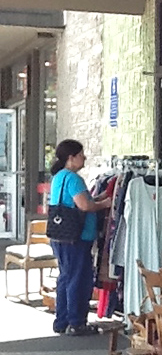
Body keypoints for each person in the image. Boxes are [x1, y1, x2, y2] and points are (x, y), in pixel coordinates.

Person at [49, 140, 111, 335]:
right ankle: (77, 322)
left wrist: (98, 198)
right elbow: (84, 206)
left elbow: (77, 202)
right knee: (78, 278)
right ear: (71, 158)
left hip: (61, 236)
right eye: (81, 154)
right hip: (77, 238)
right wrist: (105, 203)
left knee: (66, 277)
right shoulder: (74, 179)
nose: (84, 158)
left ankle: (62, 321)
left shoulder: (59, 177)